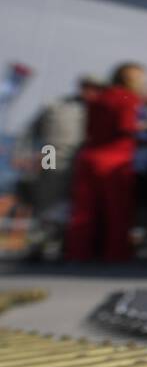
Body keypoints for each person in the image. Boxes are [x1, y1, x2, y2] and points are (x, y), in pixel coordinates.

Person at [64, 64, 147, 261]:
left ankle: (77, 252)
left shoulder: (99, 98)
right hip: (115, 161)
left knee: (83, 213)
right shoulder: (128, 99)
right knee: (117, 212)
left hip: (89, 158)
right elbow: (126, 127)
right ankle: (116, 253)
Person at [19, 76, 99, 260]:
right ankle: (37, 245)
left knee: (73, 206)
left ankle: (64, 243)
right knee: (46, 202)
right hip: (52, 155)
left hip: (80, 161)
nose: (91, 92)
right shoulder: (55, 106)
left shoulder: (98, 111)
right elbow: (31, 131)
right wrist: (24, 154)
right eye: (89, 87)